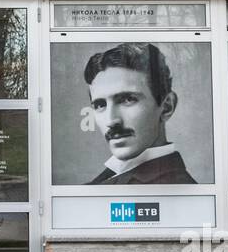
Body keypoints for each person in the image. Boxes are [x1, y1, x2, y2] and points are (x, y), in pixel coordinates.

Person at [83, 42, 196, 184]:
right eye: (100, 105)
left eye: (128, 99)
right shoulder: (113, 175)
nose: (111, 121)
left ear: (167, 107)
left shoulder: (174, 186)